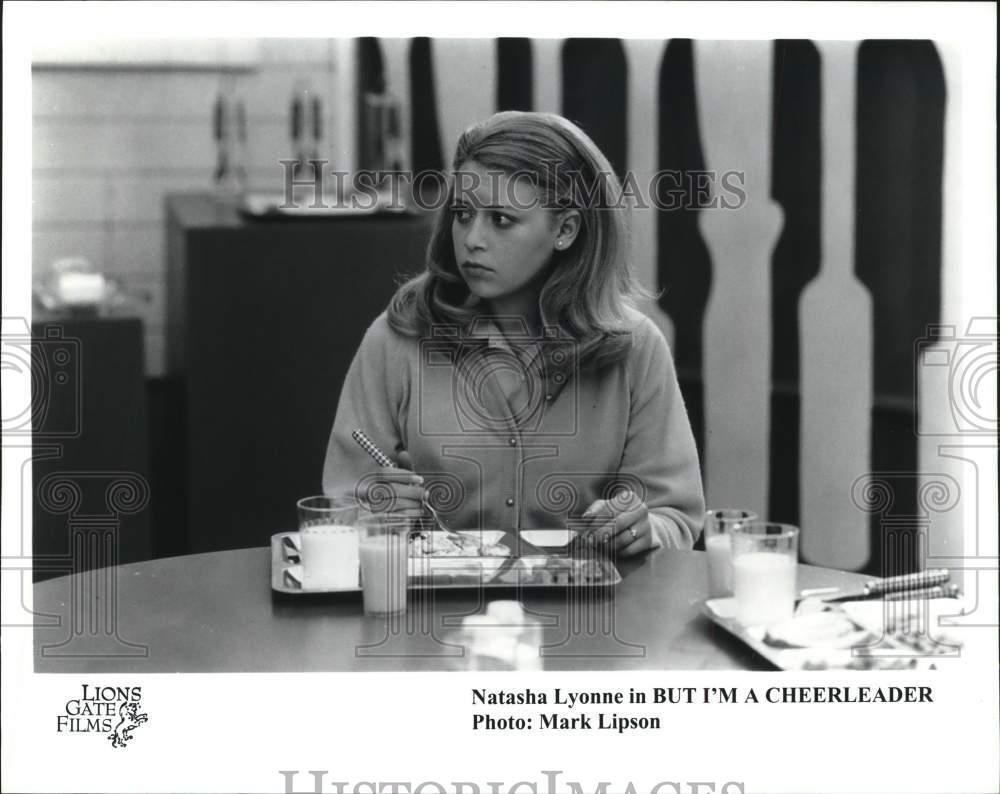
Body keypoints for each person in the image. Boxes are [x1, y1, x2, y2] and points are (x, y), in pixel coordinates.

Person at [322, 111, 704, 554]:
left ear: (566, 229)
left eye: (501, 219)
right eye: (463, 214)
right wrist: (370, 517)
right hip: (432, 598)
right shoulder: (397, 337)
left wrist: (641, 529)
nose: (471, 239)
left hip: (589, 599)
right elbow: (339, 509)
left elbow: (674, 517)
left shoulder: (636, 347)